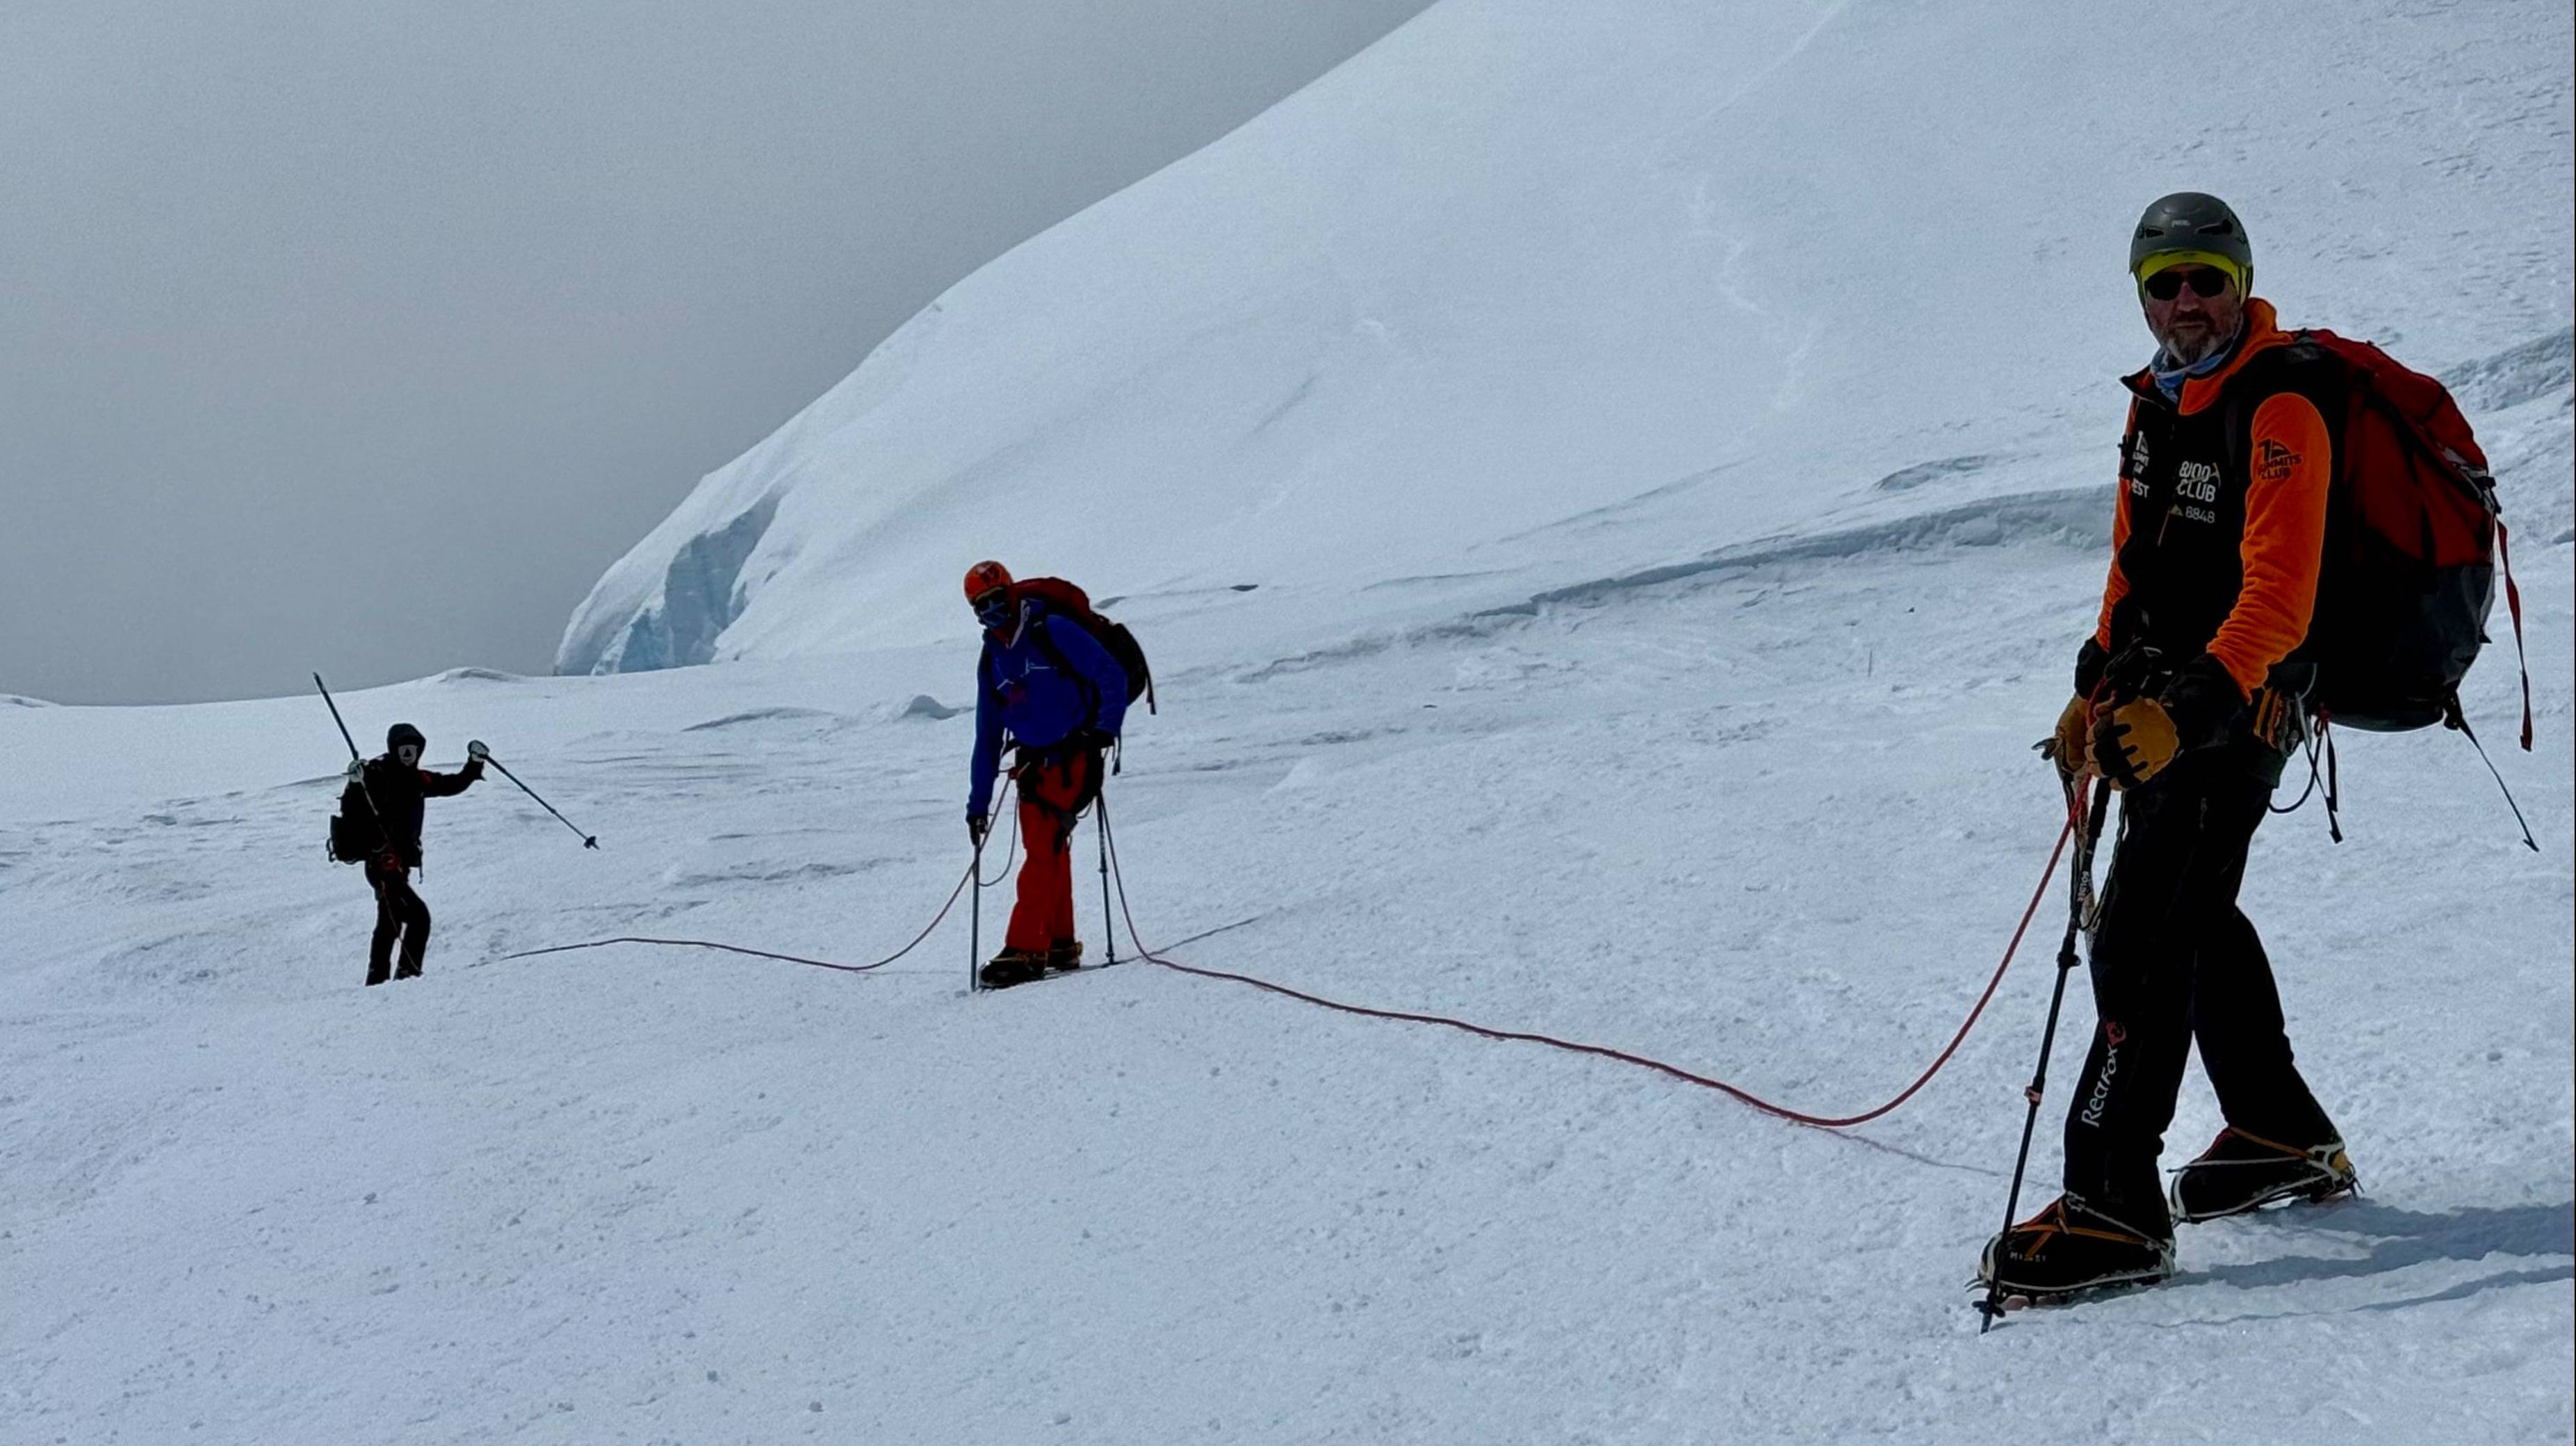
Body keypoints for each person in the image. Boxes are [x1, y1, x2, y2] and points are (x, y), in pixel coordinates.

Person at [1983, 193, 2357, 1298]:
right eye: (2164, 281)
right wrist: (2092, 685)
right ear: (2140, 293)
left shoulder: (2282, 400)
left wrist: (2181, 713)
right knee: (2186, 909)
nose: (2186, 301)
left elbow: (2279, 599)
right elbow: (2134, 565)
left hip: (2233, 712)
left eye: (2206, 276)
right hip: (2157, 705)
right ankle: (2279, 1132)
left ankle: (2113, 1209)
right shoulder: (2158, 398)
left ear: (2241, 279)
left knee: (2140, 939)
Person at [963, 560, 1130, 989]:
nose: (993, 610)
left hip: (1073, 754)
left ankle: (1024, 949)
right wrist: (976, 804)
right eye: (983, 606)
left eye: (998, 599)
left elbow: (1110, 673)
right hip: (1032, 765)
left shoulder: (1051, 628)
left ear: (1012, 593)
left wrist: (1103, 730)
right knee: (1051, 846)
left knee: (1042, 846)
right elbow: (987, 735)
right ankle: (1059, 942)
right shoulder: (991, 658)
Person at [348, 724, 486, 986]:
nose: (409, 754)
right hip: (381, 864)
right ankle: (406, 976)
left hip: (399, 866)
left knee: (391, 922)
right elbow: (354, 809)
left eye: (414, 749)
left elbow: (451, 784)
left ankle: (378, 981)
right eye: (404, 749)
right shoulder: (376, 775)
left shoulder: (417, 780)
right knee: (418, 917)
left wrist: (474, 763)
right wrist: (355, 783)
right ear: (394, 749)